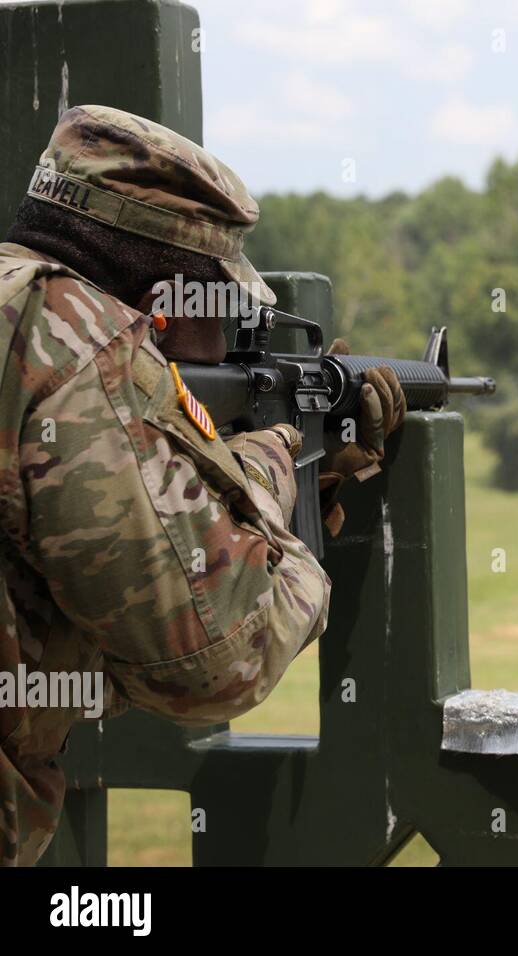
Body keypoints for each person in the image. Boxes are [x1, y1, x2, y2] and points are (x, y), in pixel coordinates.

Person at [0, 105, 404, 865]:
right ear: (168, 303)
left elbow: (48, 616)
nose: (228, 342)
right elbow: (218, 662)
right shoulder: (78, 341)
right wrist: (268, 474)